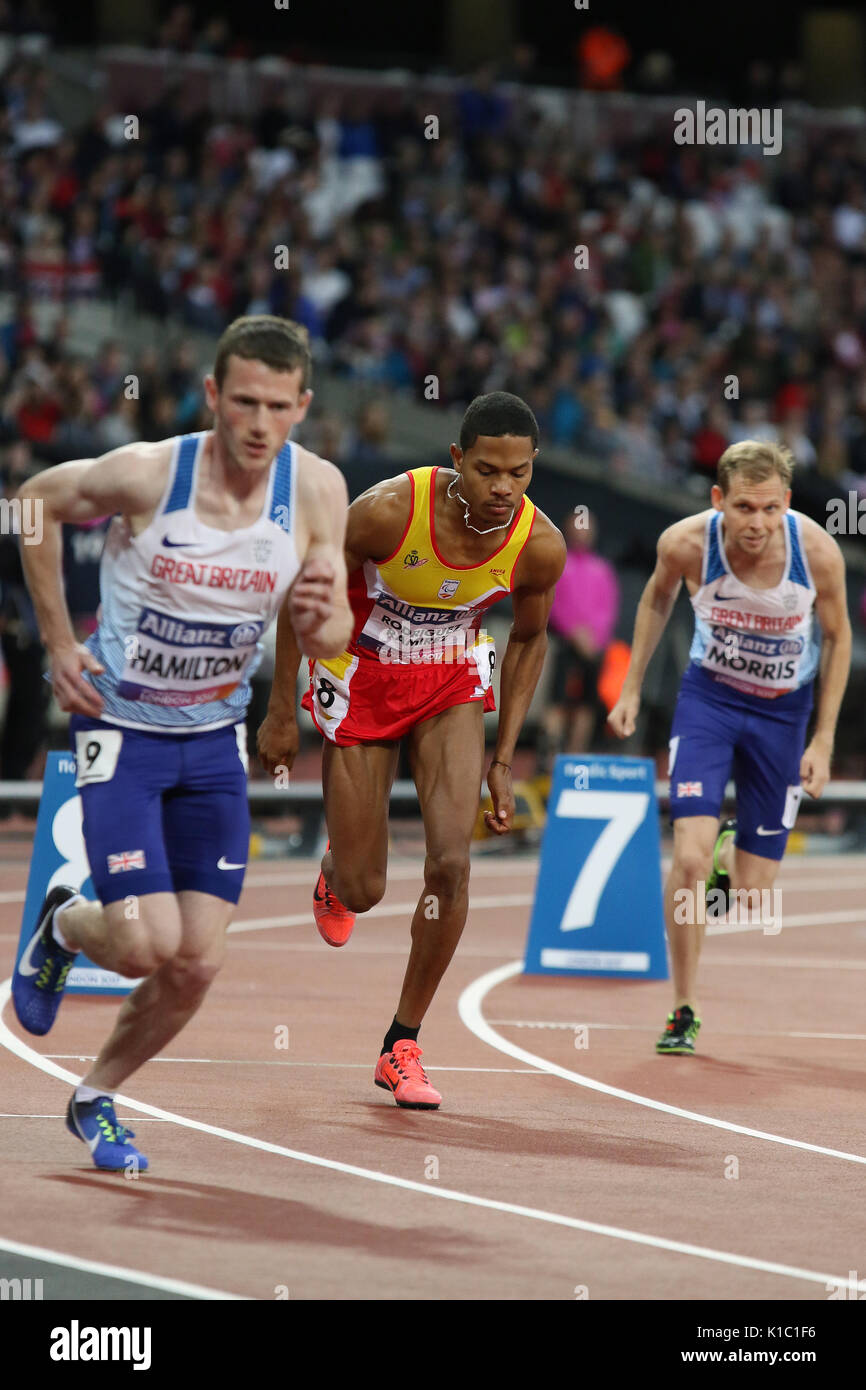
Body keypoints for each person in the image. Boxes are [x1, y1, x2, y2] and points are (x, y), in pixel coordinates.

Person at [11, 315, 352, 1168]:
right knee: (141, 946)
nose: (258, 422)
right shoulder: (149, 472)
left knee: (196, 962)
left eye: (278, 405)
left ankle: (97, 1098)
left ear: (302, 406)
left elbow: (338, 616)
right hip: (120, 729)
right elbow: (30, 506)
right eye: (243, 401)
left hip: (211, 743)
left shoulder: (316, 492)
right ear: (212, 396)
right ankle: (63, 926)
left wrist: (325, 620)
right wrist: (57, 641)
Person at [258, 391, 566, 1109]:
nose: (503, 488)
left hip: (450, 682)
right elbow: (303, 594)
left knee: (452, 865)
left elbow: (527, 639)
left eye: (519, 473)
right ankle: (338, 872)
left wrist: (502, 760)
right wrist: (279, 709)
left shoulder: (539, 544)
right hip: (361, 676)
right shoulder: (388, 511)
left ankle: (402, 1041)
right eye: (487, 470)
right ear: (456, 459)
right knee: (365, 892)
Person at [609, 440, 851, 1055]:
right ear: (719, 501)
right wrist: (632, 686)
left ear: (788, 504)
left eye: (771, 509)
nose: (758, 523)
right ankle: (683, 1007)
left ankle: (728, 847)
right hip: (710, 702)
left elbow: (838, 636)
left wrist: (823, 740)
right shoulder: (686, 544)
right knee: (686, 863)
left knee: (751, 893)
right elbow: (657, 597)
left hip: (783, 714)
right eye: (744, 507)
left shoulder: (818, 554)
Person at [540, 507, 619, 766]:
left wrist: (594, 638)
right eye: (578, 526)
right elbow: (554, 604)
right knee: (557, 701)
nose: (583, 532)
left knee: (586, 704)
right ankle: (549, 761)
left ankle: (574, 760)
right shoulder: (558, 563)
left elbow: (607, 609)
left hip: (593, 647)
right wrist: (573, 632)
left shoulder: (602, 569)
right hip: (564, 642)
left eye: (587, 527)